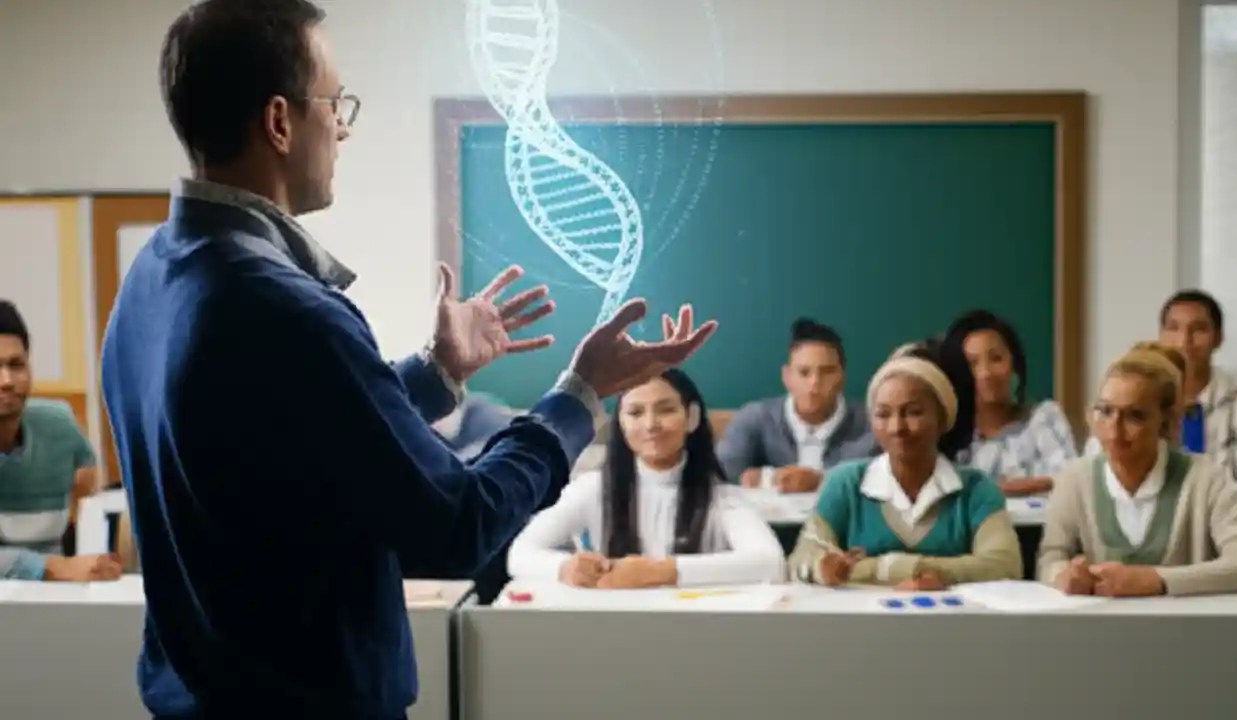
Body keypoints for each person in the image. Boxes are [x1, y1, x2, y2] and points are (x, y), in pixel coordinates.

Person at [99, 2, 715, 717]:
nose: (344, 126)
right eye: (335, 103)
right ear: (278, 121)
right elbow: (456, 526)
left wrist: (435, 372)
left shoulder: (152, 278)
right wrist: (579, 396)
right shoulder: (287, 310)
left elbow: (285, 437)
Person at [507, 368, 784, 588]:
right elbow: (519, 553)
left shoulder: (720, 497)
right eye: (636, 412)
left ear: (692, 417)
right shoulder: (592, 489)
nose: (651, 424)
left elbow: (771, 563)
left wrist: (660, 571)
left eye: (666, 410)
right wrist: (565, 568)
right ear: (621, 423)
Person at [1038, 346, 1237, 597]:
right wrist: (1064, 575)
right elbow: (1049, 558)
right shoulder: (1074, 479)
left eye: (1134, 416)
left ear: (1166, 422)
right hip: (1098, 631)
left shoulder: (1207, 479)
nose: (1114, 430)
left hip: (1185, 632)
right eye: (1105, 411)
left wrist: (1156, 579)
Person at [788, 353, 1022, 589]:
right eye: (883, 414)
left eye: (913, 412)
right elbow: (800, 561)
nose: (896, 427)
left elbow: (1005, 565)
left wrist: (883, 569)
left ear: (942, 418)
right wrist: (821, 568)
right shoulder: (845, 483)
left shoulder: (976, 490)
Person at [0, 300, 121, 582]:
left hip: (54, 602)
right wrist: (53, 567)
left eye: (16, 364)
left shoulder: (59, 424)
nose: (6, 380)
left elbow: (87, 478)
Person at [717, 318, 875, 493]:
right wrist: (774, 479)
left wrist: (819, 481)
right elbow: (720, 471)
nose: (814, 383)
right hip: (766, 519)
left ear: (842, 377)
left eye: (827, 371)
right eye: (804, 372)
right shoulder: (756, 417)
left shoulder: (872, 423)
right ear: (787, 377)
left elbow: (884, 476)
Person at [946, 310, 1078, 496]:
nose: (986, 373)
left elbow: (1072, 481)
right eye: (972, 364)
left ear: (1014, 363)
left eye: (996, 359)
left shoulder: (1045, 418)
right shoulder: (948, 435)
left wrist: (988, 490)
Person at [1154, 290, 1237, 483]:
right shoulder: (1137, 403)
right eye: (1173, 328)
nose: (1184, 341)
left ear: (1218, 338)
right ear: (1160, 336)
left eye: (1199, 329)